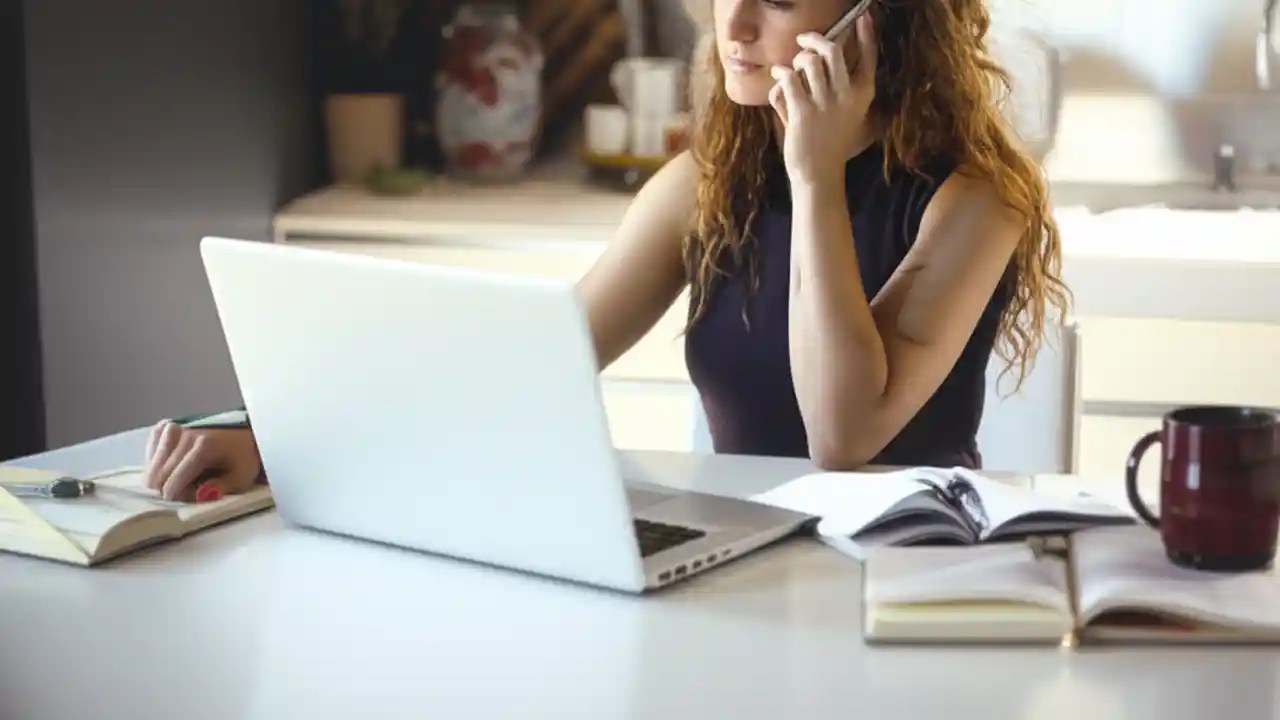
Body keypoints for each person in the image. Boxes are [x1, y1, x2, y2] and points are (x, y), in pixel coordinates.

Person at [141, 0, 1068, 502]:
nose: (735, 23)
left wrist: (816, 175)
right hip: (742, 564)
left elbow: (841, 436)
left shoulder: (975, 201)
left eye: (780, 0)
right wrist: (277, 435)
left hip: (908, 575)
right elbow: (527, 365)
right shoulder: (704, 188)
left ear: (878, 25)